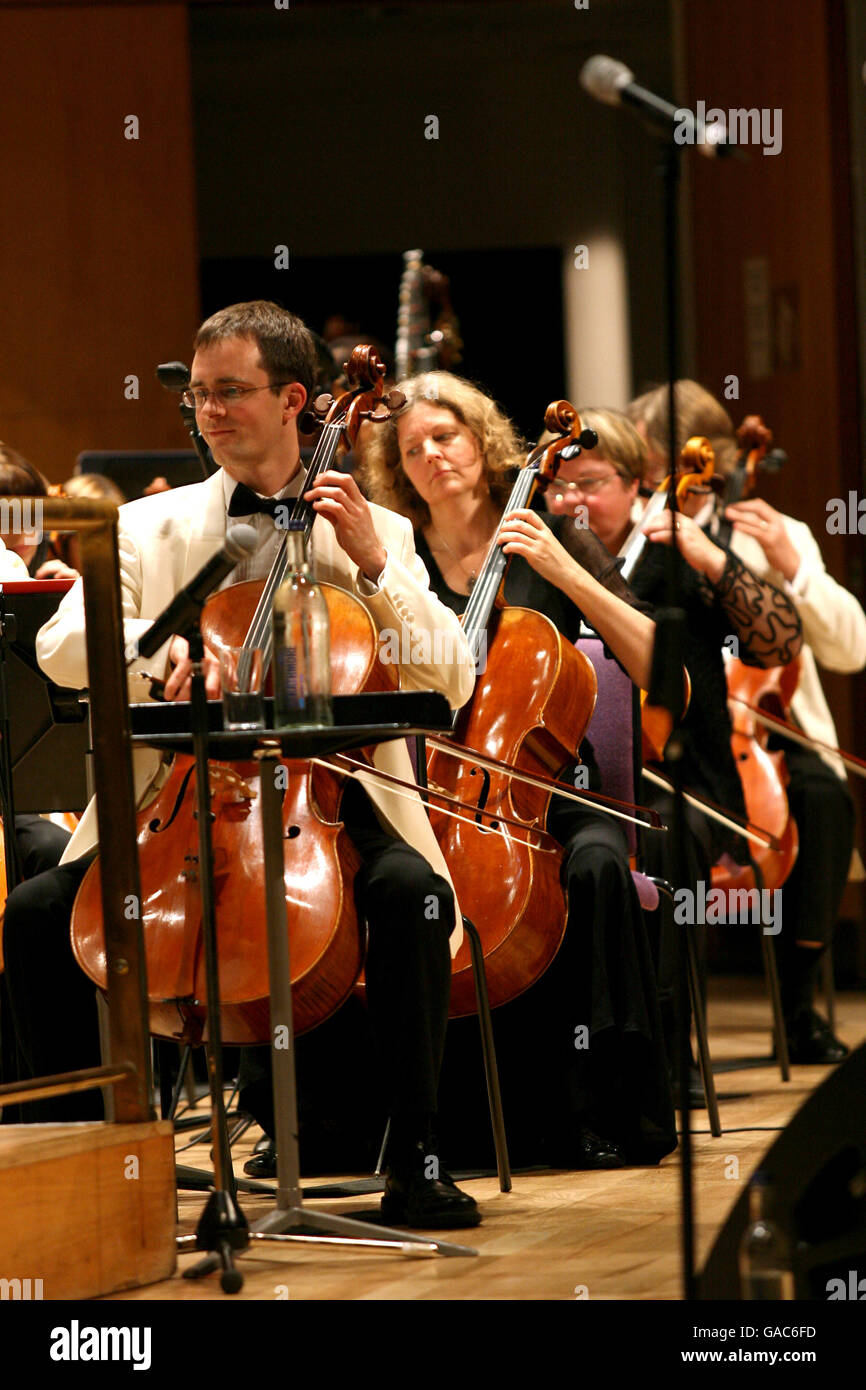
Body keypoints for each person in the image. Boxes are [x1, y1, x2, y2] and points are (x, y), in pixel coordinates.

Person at [2, 300, 482, 1230]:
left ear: (297, 398)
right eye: (199, 395)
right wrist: (152, 651)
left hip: (337, 800)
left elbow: (448, 678)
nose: (208, 411)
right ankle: (78, 1159)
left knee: (413, 894)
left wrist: (377, 566)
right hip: (172, 802)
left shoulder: (379, 527)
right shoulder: (152, 527)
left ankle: (417, 1152)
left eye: (231, 392)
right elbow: (64, 642)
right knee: (31, 917)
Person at [363, 371, 677, 1168]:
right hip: (423, 784)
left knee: (599, 864)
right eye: (412, 446)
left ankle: (595, 1103)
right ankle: (406, 1118)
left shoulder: (551, 533)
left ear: (481, 441)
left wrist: (567, 572)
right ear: (398, 467)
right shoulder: (392, 553)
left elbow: (660, 669)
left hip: (537, 787)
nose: (432, 454)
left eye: (447, 436)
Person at [542, 406, 804, 1095]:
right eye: (559, 488)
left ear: (637, 484)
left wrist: (708, 551)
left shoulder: (674, 552)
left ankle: (665, 1047)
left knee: (664, 836)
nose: (572, 501)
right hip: (567, 777)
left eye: (591, 483)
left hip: (681, 777)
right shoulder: (530, 557)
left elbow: (779, 641)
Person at [629, 381, 864, 1063]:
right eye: (650, 472)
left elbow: (852, 648)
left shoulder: (774, 534)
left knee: (821, 798)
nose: (665, 484)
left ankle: (797, 1006)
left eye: (670, 467)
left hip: (767, 732)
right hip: (676, 732)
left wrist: (796, 572)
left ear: (717, 462)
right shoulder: (641, 528)